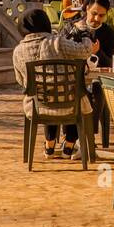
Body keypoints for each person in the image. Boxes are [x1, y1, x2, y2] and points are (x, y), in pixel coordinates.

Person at [12, 8, 93, 160]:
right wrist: (85, 32)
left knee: (47, 93)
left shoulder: (18, 51)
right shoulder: (57, 42)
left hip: (37, 107)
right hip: (70, 105)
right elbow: (85, 50)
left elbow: (21, 81)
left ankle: (49, 144)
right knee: (72, 91)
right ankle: (69, 144)